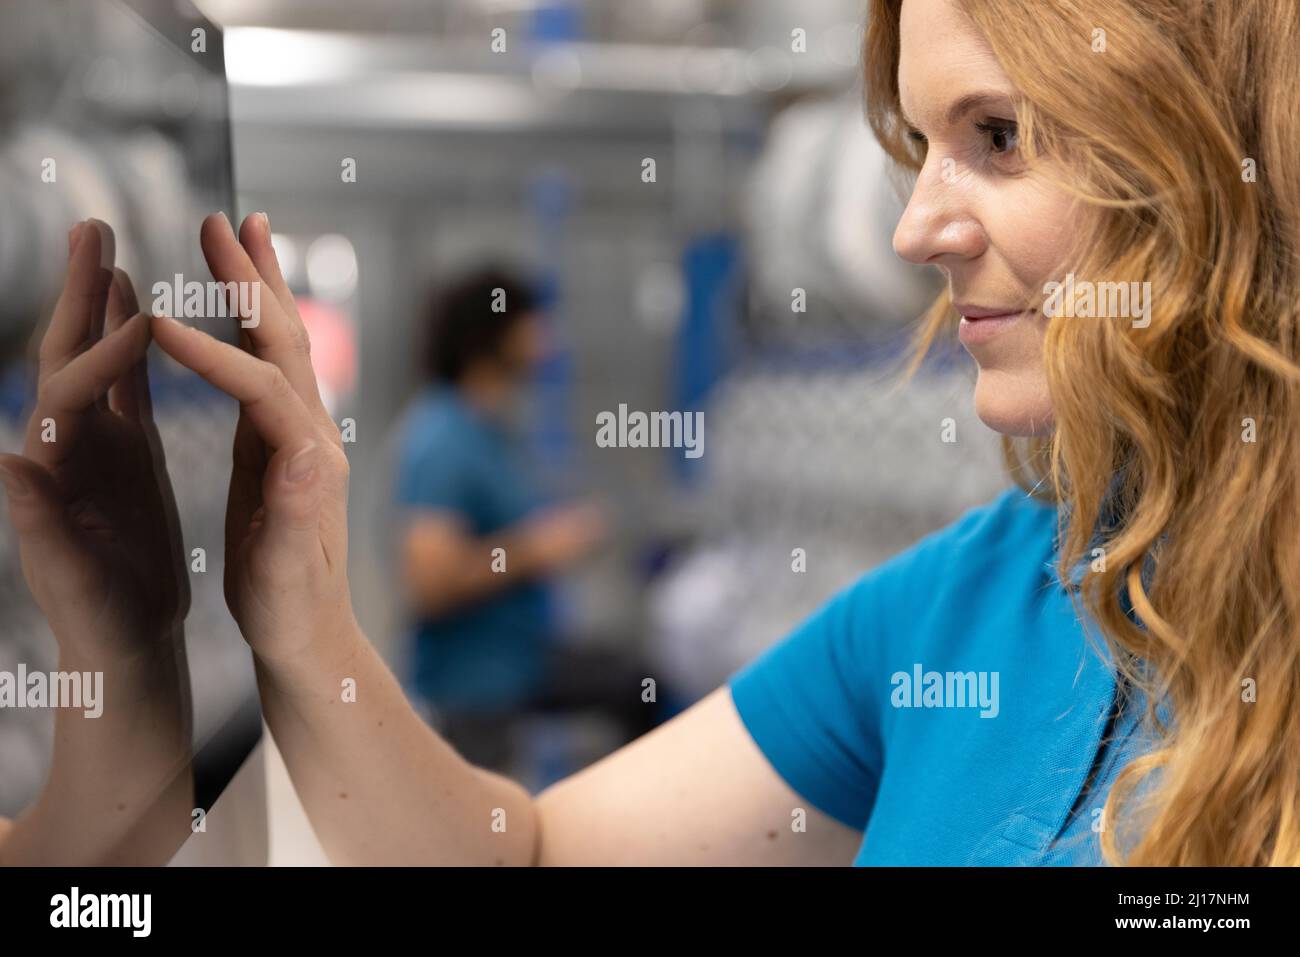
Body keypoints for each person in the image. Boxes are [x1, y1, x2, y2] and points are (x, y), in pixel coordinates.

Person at [7, 0, 1299, 866]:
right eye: (922, 146)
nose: (916, 229)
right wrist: (300, 623)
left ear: (1205, 147)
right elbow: (529, 855)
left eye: (999, 139)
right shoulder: (957, 604)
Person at [393, 267, 655, 771]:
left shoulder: (489, 430)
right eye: (534, 325)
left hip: (518, 663)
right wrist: (542, 547)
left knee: (638, 683)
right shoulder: (443, 437)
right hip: (474, 687)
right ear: (492, 334)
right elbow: (430, 583)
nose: (548, 340)